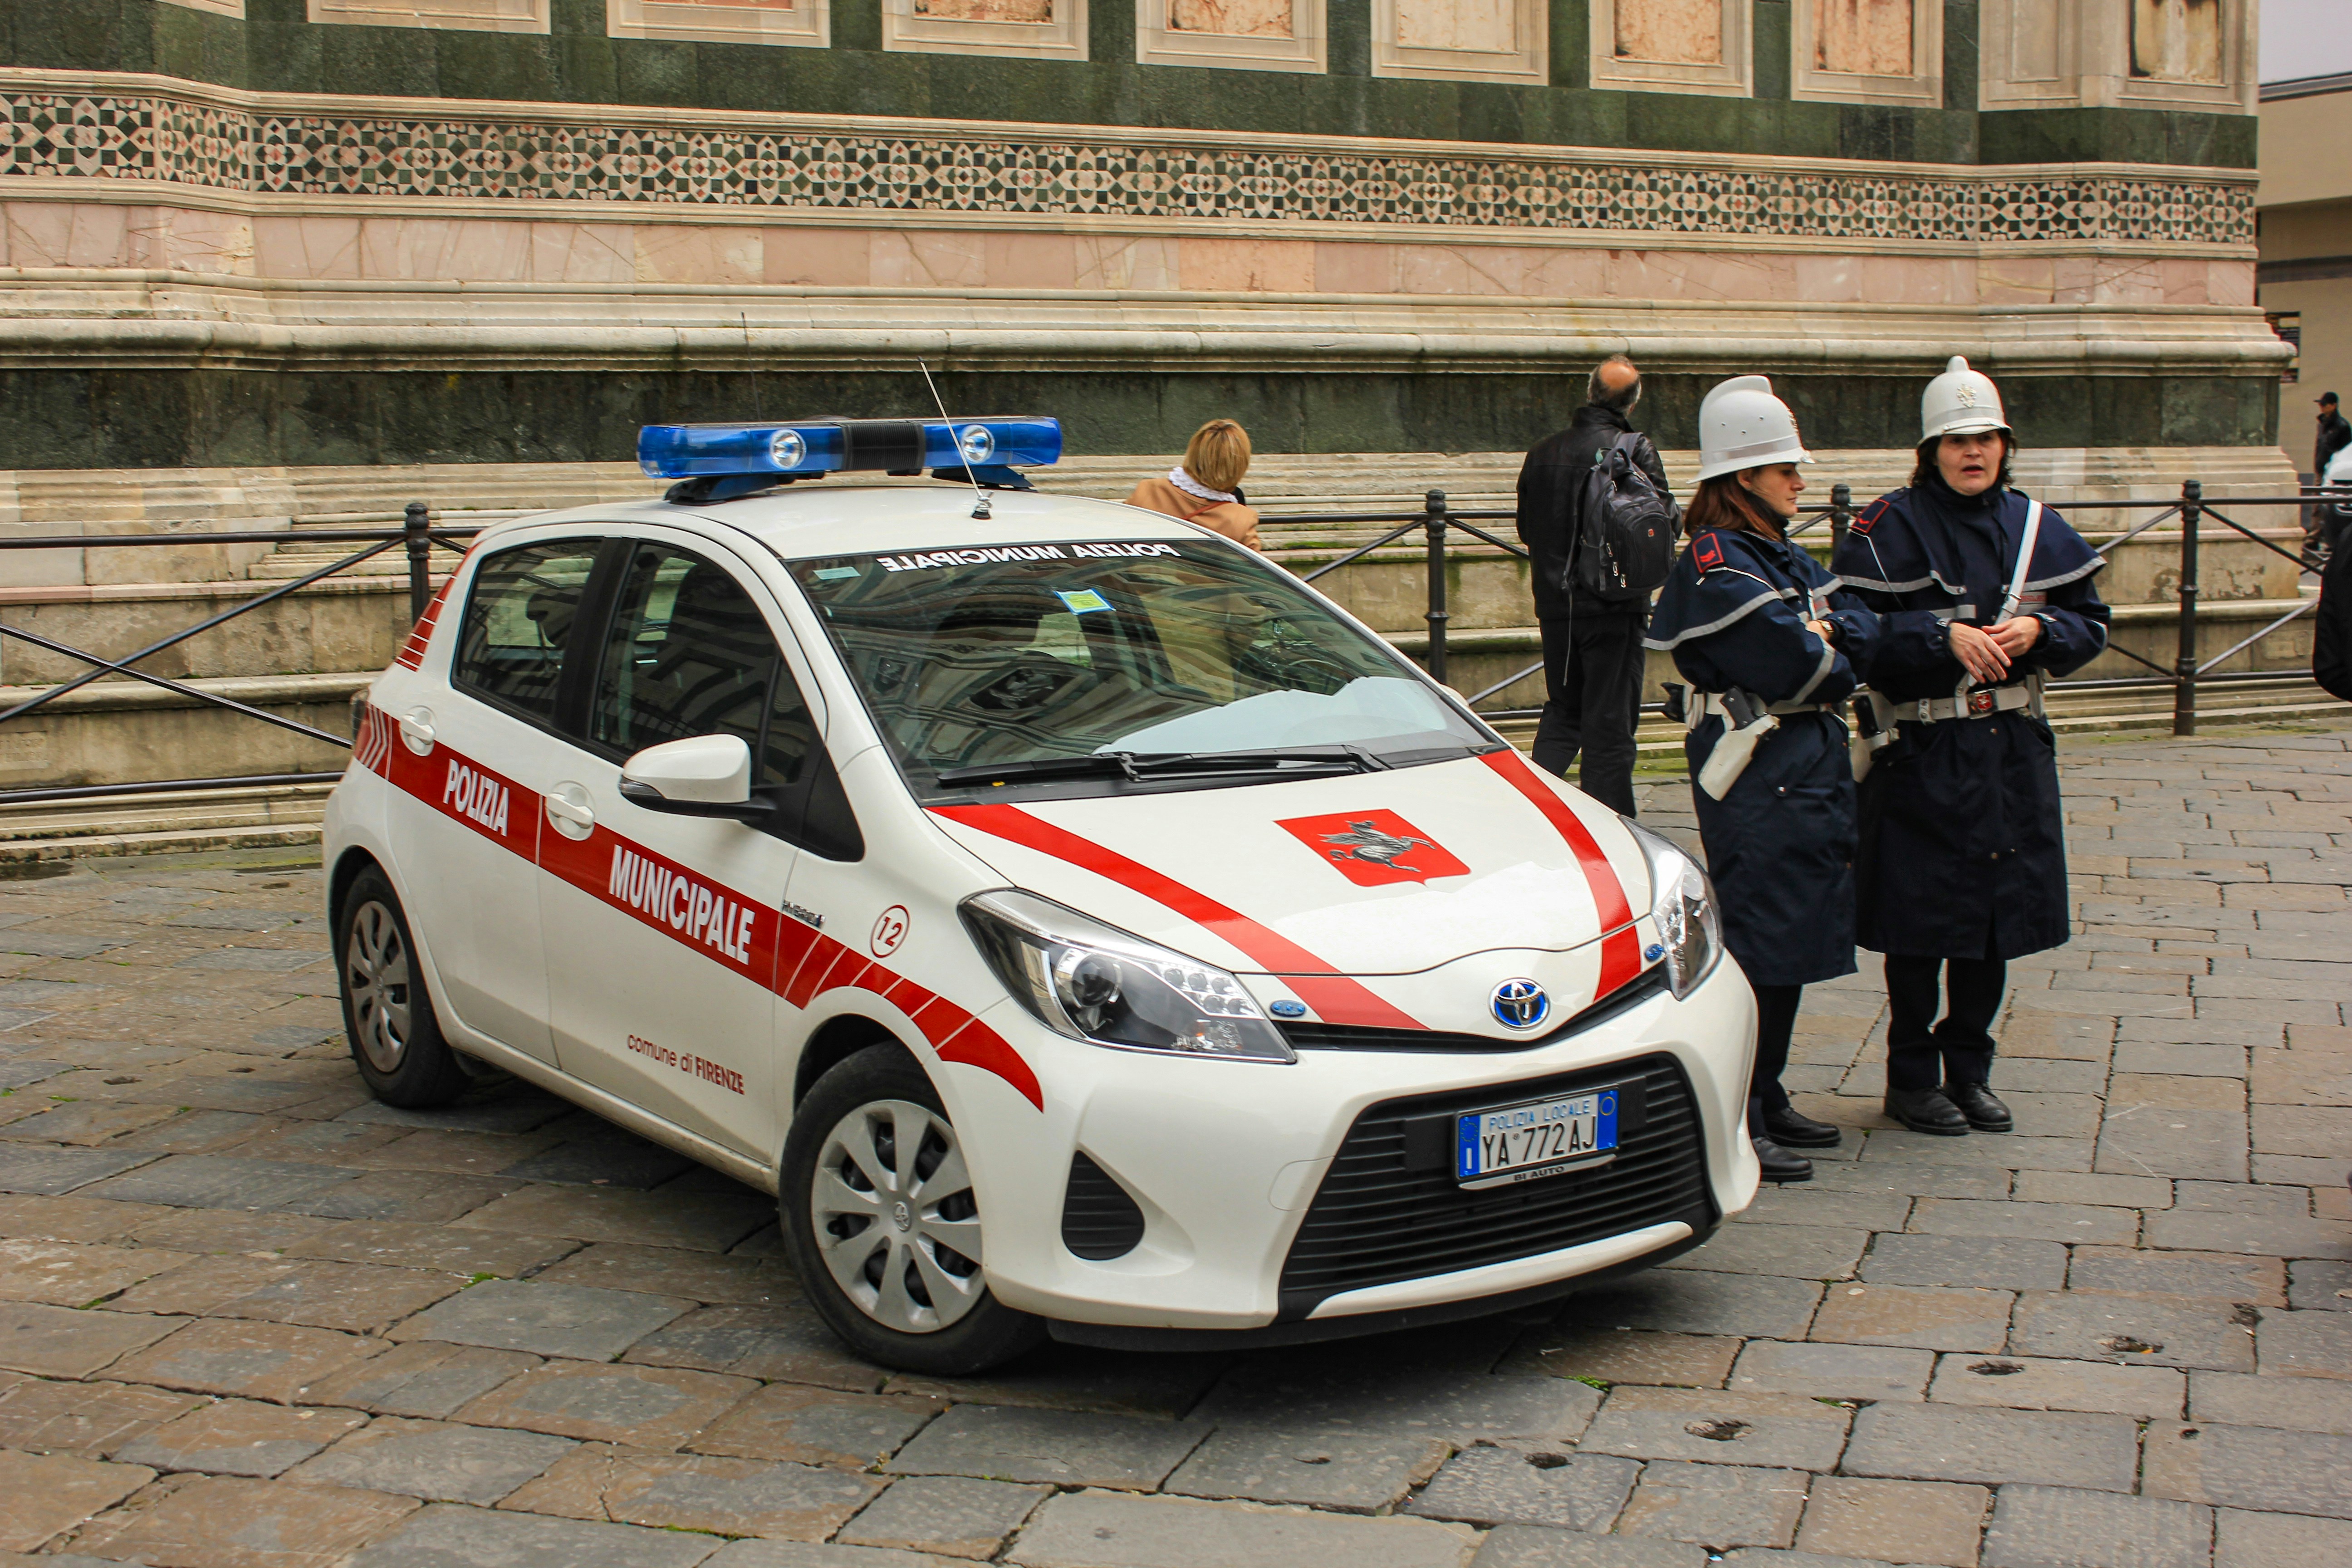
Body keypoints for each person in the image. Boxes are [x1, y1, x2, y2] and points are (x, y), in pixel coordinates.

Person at [1831, 358, 2112, 1137]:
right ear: (1930, 449)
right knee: (1917, 925)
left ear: (2003, 444)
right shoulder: (1886, 526)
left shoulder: (2033, 525)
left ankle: (1970, 1070)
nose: (1972, 451)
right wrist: (1938, 633)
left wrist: (2040, 630)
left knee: (1993, 922)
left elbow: (2089, 622)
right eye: (1955, 439)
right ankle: (1910, 1078)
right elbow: (1850, 631)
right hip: (1921, 753)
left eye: (1984, 437)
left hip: (2008, 754)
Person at [1644, 377, 1879, 1183]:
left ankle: (1766, 1090)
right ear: (1741, 475)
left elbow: (1860, 630)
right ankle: (1738, 1110)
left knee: (1797, 935)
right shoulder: (1718, 561)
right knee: (1765, 944)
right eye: (1784, 468)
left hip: (1800, 766)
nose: (1799, 480)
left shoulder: (1775, 552)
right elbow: (1804, 659)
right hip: (1761, 769)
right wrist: (1827, 642)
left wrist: (1832, 635)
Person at [1514, 354, 1665, 816]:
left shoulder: (1542, 452)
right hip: (1615, 607)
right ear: (1633, 402)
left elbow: (1526, 527)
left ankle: (1531, 810)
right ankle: (1613, 825)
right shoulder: (1634, 449)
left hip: (1557, 606)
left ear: (1589, 393)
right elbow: (1661, 524)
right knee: (1610, 723)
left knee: (1564, 711)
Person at [1127, 420, 1261, 550]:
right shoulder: (1241, 520)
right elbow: (1255, 570)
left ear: (1193, 452)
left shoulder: (1147, 491)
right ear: (1240, 466)